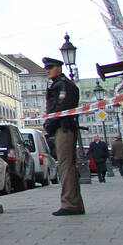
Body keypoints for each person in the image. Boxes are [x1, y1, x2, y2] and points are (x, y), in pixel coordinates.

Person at [42, 56, 84, 216]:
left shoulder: (63, 85)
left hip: (64, 127)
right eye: (47, 68)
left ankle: (69, 203)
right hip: (63, 126)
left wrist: (49, 123)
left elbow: (61, 108)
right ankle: (74, 202)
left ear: (59, 68)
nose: (48, 70)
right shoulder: (60, 84)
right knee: (67, 166)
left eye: (50, 68)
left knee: (65, 166)